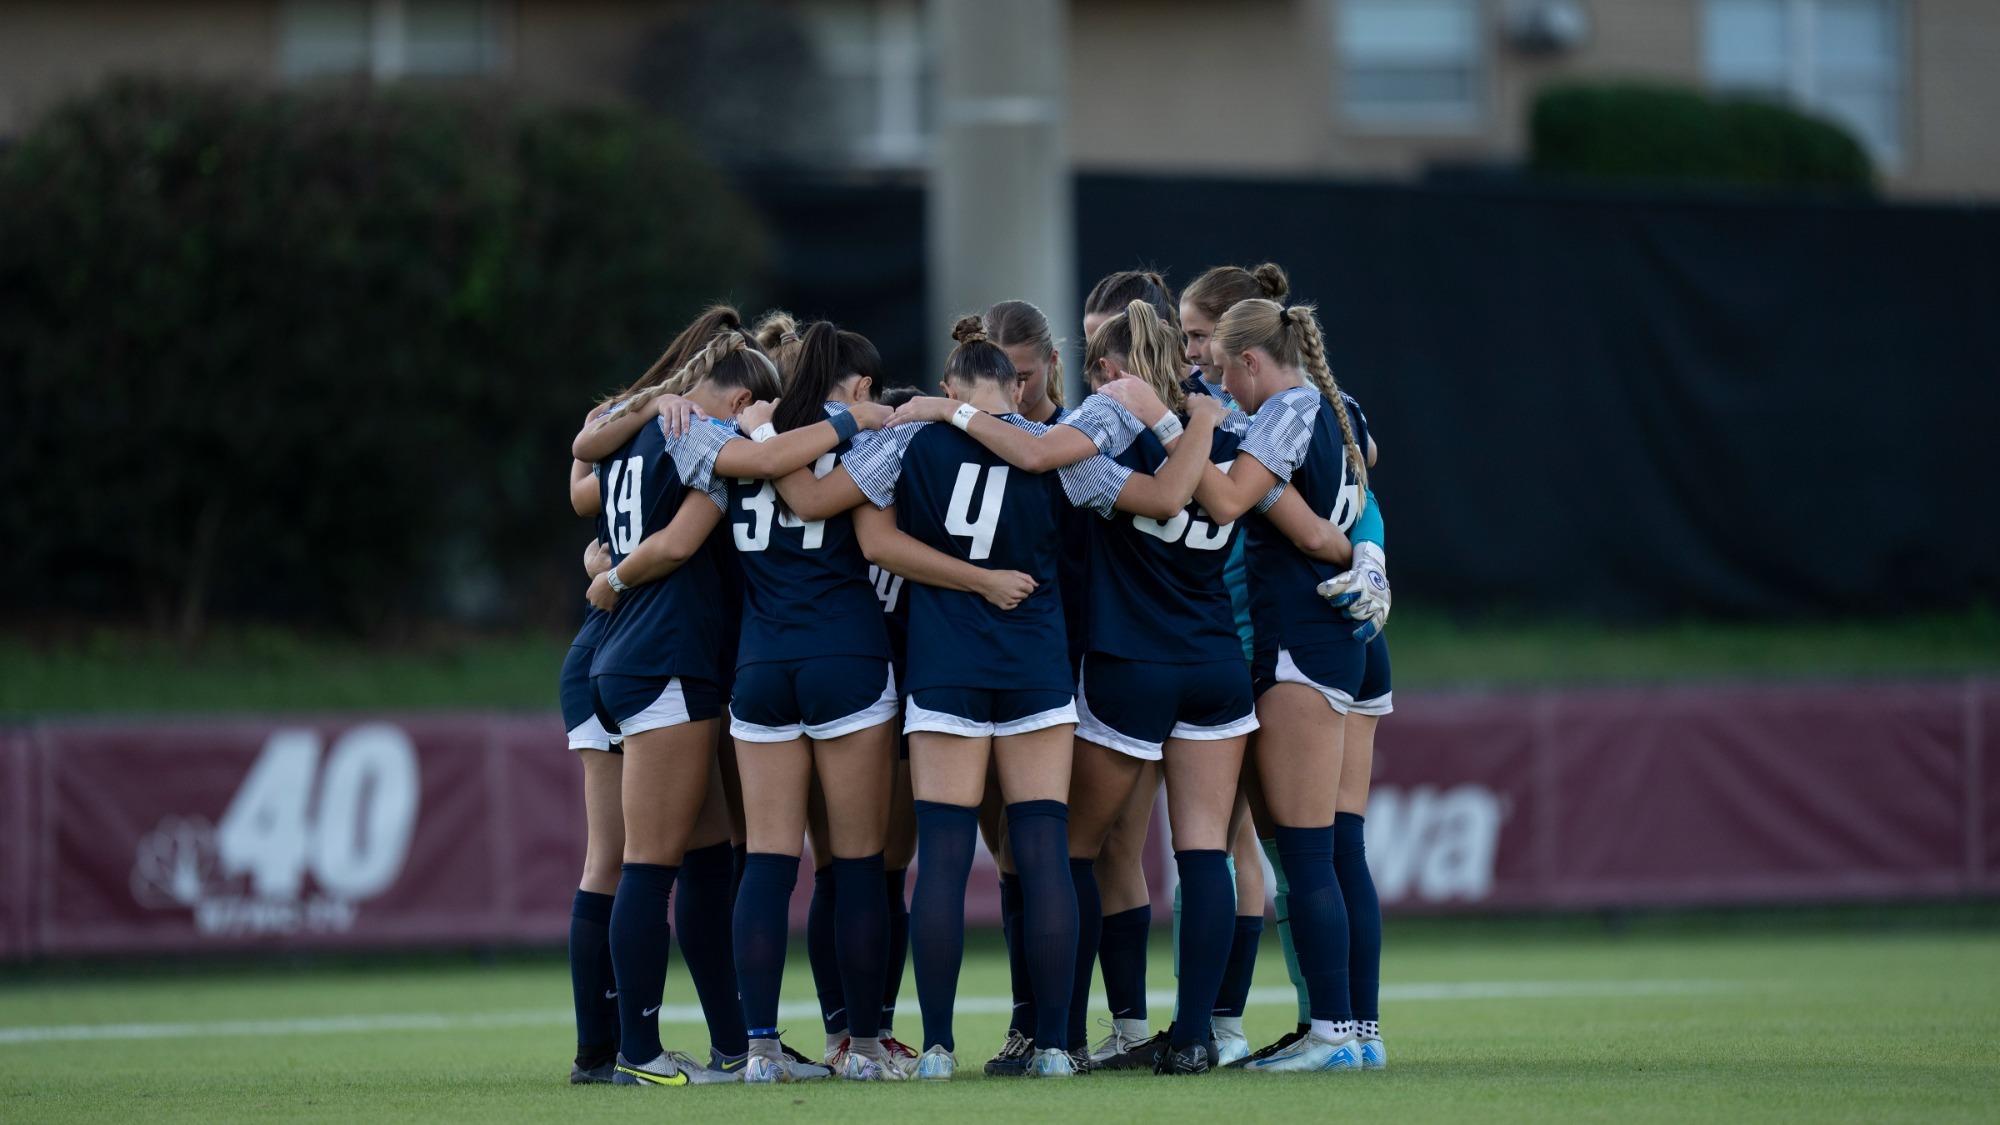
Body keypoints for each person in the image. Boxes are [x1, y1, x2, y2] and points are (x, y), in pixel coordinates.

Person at [836, 315, 1212, 1080]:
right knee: (1043, 852)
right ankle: (1051, 1045)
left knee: (941, 859)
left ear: (947, 386)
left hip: (944, 667)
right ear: (1016, 387)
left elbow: (855, 525)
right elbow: (1164, 500)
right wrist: (1193, 421)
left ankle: (937, 1048)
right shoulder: (1058, 456)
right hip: (1037, 668)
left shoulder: (908, 441)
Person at [582, 330, 888, 1087]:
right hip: (689, 656)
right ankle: (639, 1052)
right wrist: (864, 422)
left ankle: (743, 1045)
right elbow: (769, 489)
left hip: (710, 664)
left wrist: (604, 563)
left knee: (734, 862)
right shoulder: (717, 437)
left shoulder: (664, 433)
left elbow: (585, 474)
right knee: (659, 865)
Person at [1115, 296, 1376, 1073]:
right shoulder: (1336, 404)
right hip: (1331, 640)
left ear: (1253, 361)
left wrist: (1172, 420)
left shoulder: (1289, 408)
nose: (1217, 380)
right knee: (1317, 850)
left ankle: (1332, 1031)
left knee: (1305, 852)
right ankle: (1349, 1030)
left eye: (1224, 366)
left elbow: (1225, 497)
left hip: (1299, 642)